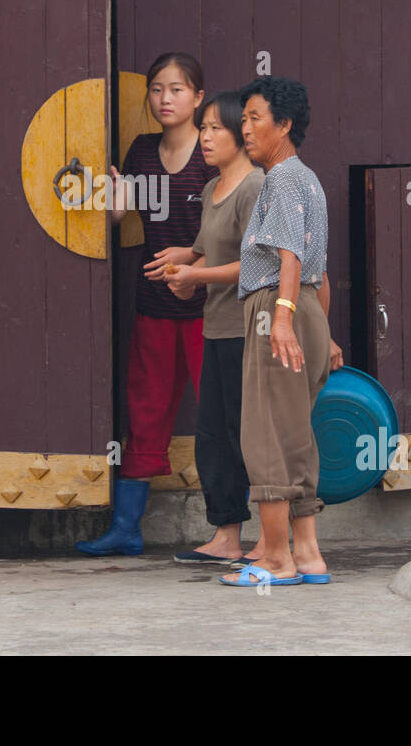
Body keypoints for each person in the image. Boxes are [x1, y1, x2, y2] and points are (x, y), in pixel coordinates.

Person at [76, 53, 218, 555]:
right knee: (146, 413)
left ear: (199, 97)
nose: (165, 99)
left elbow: (240, 229)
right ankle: (126, 529)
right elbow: (122, 217)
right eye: (157, 90)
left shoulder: (214, 153)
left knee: (224, 418)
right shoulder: (139, 151)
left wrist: (196, 258)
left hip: (210, 310)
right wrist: (114, 207)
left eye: (177, 90)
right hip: (155, 306)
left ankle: (238, 535)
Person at [219, 76, 345, 588]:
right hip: (306, 307)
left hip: (278, 308)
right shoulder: (307, 178)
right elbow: (320, 268)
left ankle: (274, 558)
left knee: (266, 433)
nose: (244, 128)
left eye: (255, 118)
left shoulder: (281, 179)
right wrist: (320, 329)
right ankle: (308, 554)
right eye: (243, 119)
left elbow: (290, 256)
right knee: (295, 435)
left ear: (284, 125)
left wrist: (285, 318)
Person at [161, 92, 267, 565]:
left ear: (241, 138)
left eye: (214, 129)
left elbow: (256, 265)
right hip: (217, 328)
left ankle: (271, 538)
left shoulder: (256, 187)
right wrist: (185, 278)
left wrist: (196, 275)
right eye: (201, 129)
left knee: (253, 435)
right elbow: (209, 254)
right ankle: (226, 537)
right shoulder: (211, 190)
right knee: (213, 437)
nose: (204, 138)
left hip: (251, 330)